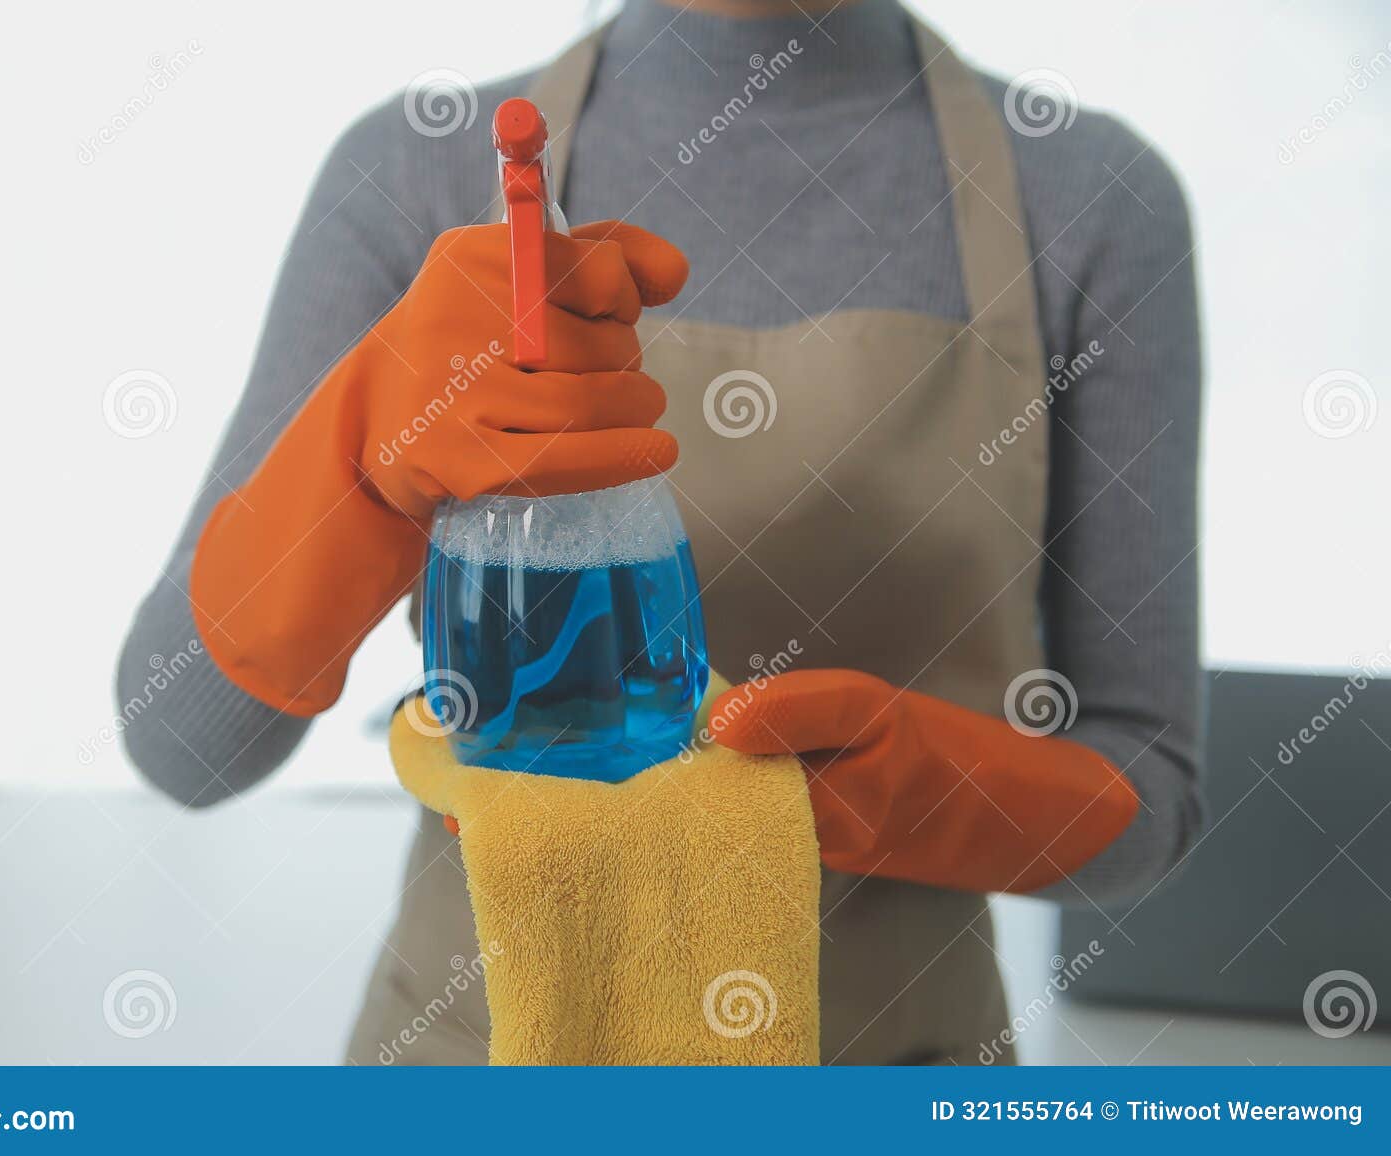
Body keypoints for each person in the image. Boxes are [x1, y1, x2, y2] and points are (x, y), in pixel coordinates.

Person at [117, 0, 1202, 1065]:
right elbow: (183, 744)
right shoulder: (417, 171)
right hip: (471, 1056)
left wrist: (921, 793)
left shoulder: (1087, 196)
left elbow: (1148, 790)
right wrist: (354, 465)